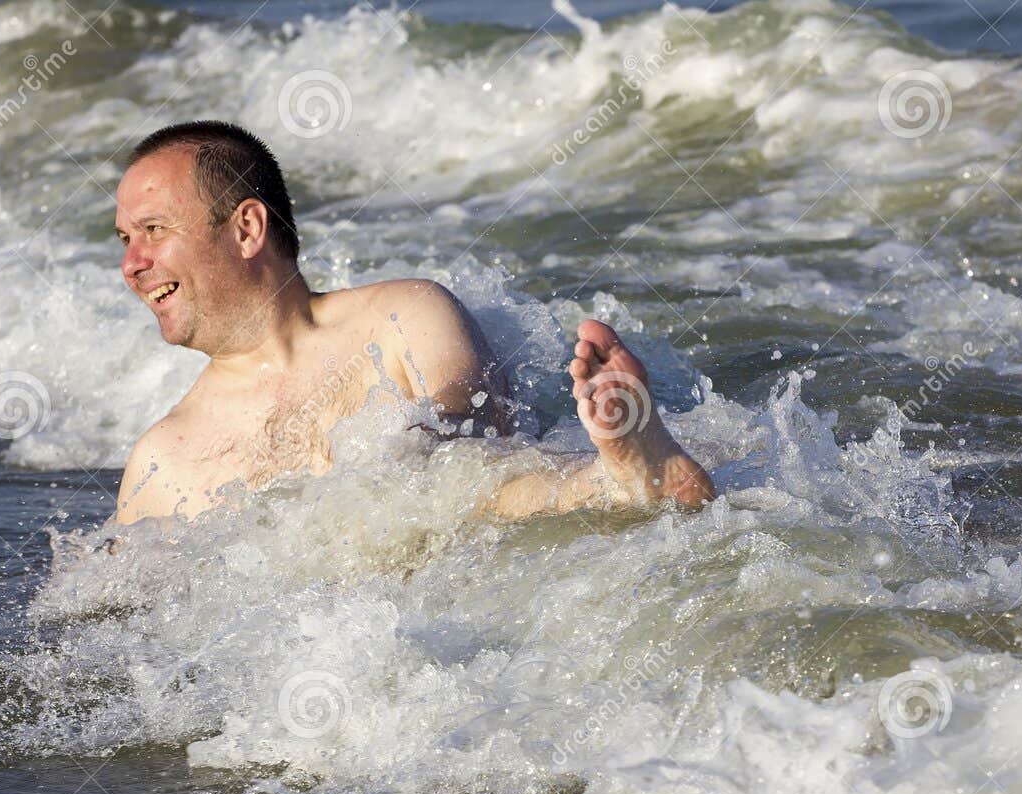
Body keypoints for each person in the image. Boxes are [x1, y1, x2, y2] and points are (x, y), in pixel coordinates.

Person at [112, 121, 715, 525]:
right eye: (124, 239)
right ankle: (632, 483)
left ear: (247, 229)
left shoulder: (402, 314)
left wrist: (388, 478)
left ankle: (632, 475)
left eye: (154, 230)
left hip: (480, 570)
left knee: (455, 467)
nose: (132, 264)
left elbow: (473, 428)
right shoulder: (162, 460)